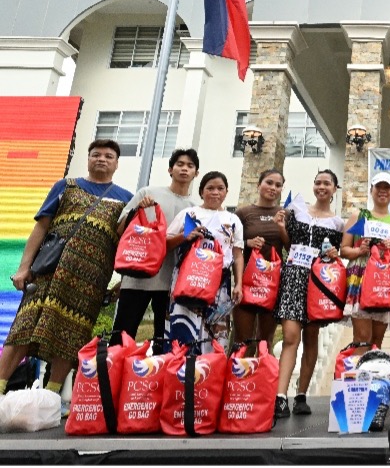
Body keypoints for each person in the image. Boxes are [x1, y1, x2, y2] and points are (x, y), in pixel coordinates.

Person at [0, 139, 133, 402]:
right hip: (48, 273)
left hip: (91, 282)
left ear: (117, 164)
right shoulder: (65, 186)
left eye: (108, 156)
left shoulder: (127, 199)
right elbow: (41, 227)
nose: (102, 159)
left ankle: (51, 398)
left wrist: (124, 281)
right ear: (88, 159)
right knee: (23, 329)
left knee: (72, 335)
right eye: (96, 154)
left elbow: (130, 244)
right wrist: (24, 268)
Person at [111, 148, 200, 349]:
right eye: (180, 164)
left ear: (196, 173)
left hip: (171, 284)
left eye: (190, 166)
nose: (184, 169)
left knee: (165, 343)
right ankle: (114, 370)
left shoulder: (195, 209)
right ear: (170, 169)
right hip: (137, 278)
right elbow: (120, 229)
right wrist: (138, 209)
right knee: (121, 337)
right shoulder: (148, 194)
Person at [274, 169, 344, 419]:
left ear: (335, 189)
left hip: (318, 282)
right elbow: (288, 244)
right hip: (294, 276)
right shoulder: (297, 211)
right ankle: (280, 397)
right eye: (318, 182)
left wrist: (334, 254)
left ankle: (301, 395)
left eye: (327, 183)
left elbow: (337, 254)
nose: (321, 187)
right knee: (290, 336)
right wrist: (282, 228)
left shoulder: (338, 223)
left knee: (311, 336)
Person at [165, 171, 245, 352]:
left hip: (219, 282)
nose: (215, 192)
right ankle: (180, 366)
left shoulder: (233, 220)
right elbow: (166, 243)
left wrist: (239, 284)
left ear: (226, 192)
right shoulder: (189, 214)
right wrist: (184, 236)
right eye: (210, 188)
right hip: (188, 279)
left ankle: (208, 368)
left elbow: (237, 254)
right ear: (201, 191)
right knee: (182, 330)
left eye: (220, 188)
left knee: (214, 334)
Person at [341, 172, 390, 354]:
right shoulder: (359, 216)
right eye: (378, 187)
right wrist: (359, 250)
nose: (382, 191)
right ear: (371, 190)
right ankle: (358, 372)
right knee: (362, 338)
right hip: (361, 279)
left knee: (377, 341)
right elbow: (344, 250)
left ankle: (373, 371)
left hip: (385, 282)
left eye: (387, 187)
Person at [233, 169, 289, 348]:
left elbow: (291, 248)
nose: (273, 188)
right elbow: (231, 245)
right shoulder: (243, 213)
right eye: (269, 183)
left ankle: (263, 366)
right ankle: (239, 367)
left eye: (278, 185)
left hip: (272, 284)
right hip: (247, 282)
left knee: (265, 341)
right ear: (258, 185)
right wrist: (247, 242)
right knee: (242, 342)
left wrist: (281, 227)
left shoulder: (285, 214)